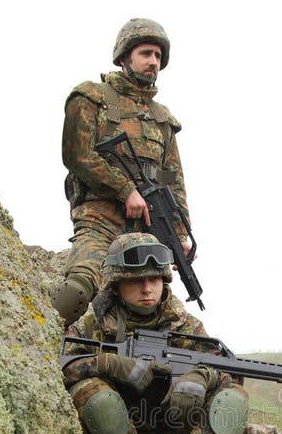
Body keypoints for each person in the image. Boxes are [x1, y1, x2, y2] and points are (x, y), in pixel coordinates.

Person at [62, 233, 249, 434]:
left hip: (171, 432)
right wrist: (107, 364)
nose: (147, 289)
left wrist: (202, 377)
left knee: (231, 399)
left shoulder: (186, 325)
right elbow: (61, 365)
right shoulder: (94, 324)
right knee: (94, 395)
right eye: (136, 281)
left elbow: (231, 373)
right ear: (117, 284)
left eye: (154, 279)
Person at [52, 18, 192, 326]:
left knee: (158, 309)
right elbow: (77, 155)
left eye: (158, 56)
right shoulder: (93, 98)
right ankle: (40, 348)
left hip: (145, 228)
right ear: (124, 57)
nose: (153, 61)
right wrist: (125, 189)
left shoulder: (162, 119)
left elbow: (172, 180)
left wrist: (181, 234)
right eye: (145, 53)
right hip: (100, 217)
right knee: (79, 287)